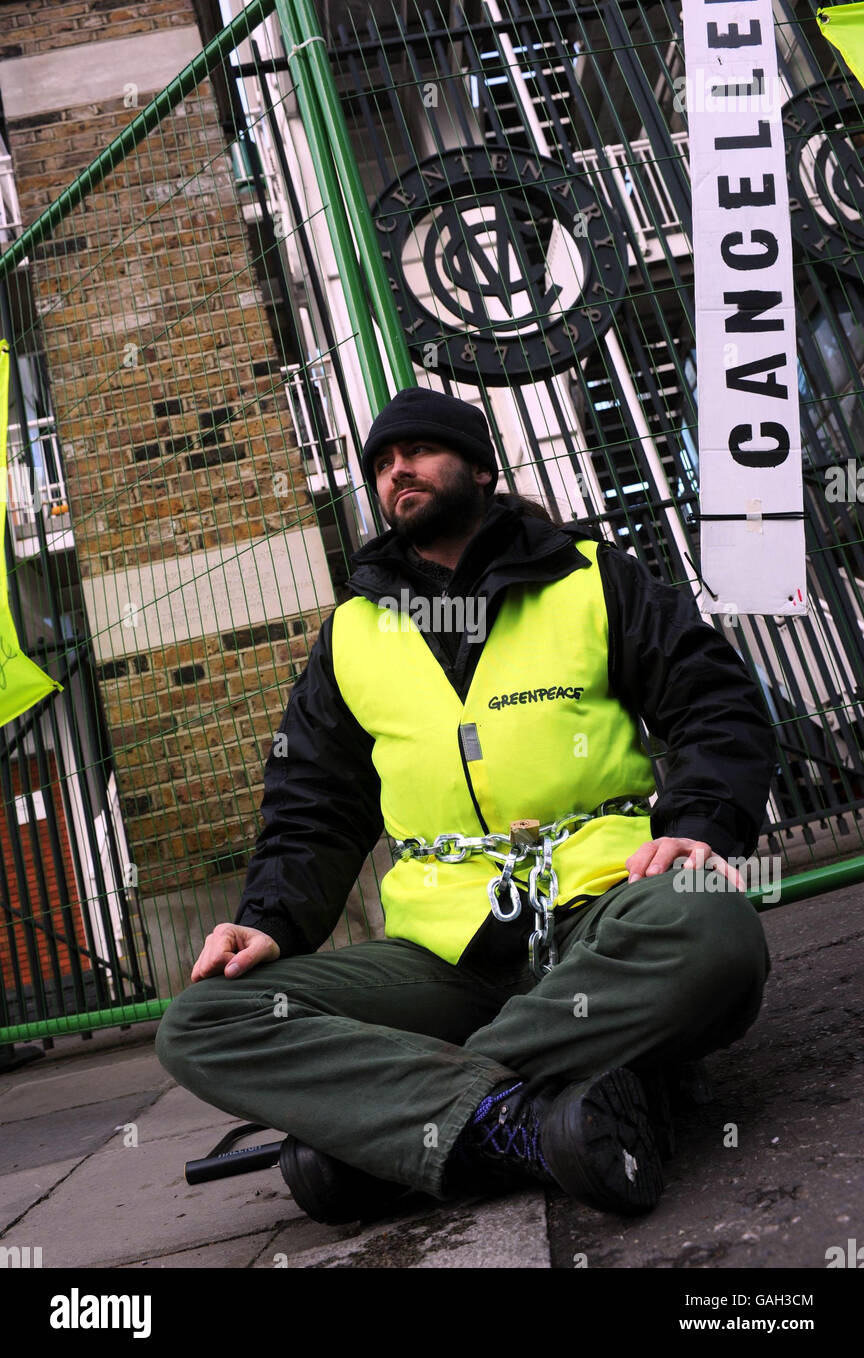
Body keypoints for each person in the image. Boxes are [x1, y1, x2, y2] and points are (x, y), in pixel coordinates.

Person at [155, 386, 775, 1224]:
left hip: (604, 913)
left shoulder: (590, 577)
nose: (396, 471)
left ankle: (416, 1116)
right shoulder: (351, 633)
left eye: (417, 450)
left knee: (712, 929)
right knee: (204, 1020)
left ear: (481, 469)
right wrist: (268, 918)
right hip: (442, 960)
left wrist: (700, 825)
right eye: (381, 463)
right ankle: (528, 1106)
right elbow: (315, 805)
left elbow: (714, 701)